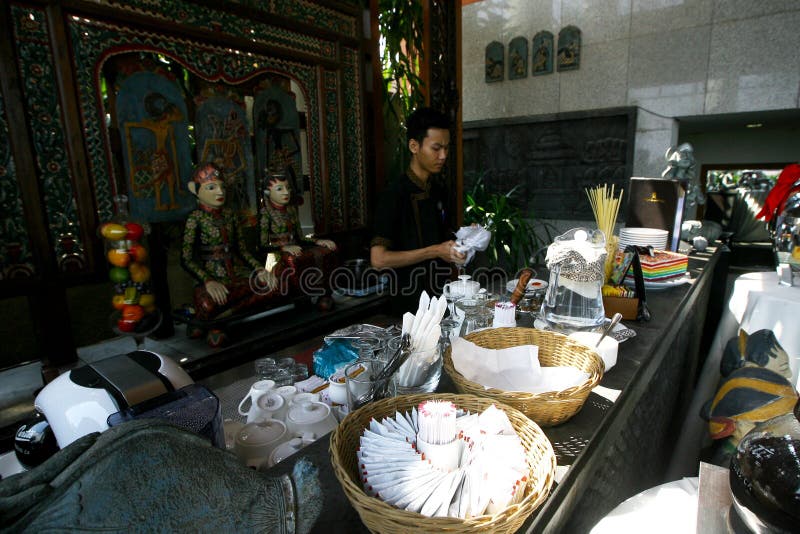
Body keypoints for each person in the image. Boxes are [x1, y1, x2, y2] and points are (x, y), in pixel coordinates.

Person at [370, 107, 465, 311]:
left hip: (439, 296)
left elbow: (445, 239)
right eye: (436, 148)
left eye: (446, 148)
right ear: (414, 146)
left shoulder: (438, 190)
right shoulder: (394, 194)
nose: (443, 156)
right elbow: (378, 259)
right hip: (406, 301)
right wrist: (434, 251)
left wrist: (465, 241)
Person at [181, 163, 280, 322]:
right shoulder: (195, 218)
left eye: (222, 187)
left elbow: (242, 250)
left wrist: (259, 269)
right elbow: (186, 259)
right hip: (214, 278)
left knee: (275, 286)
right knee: (208, 304)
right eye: (212, 187)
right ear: (195, 190)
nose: (220, 192)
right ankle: (235, 312)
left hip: (238, 276)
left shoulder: (230, 215)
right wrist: (208, 281)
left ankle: (228, 314)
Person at [259, 171, 338, 293]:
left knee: (328, 250)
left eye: (287, 188)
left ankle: (322, 291)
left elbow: (300, 238)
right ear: (268, 193)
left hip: (296, 250)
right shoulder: (265, 214)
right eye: (280, 189)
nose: (286, 192)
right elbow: (262, 246)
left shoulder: (291, 210)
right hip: (276, 257)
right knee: (292, 262)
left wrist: (318, 241)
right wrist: (283, 248)